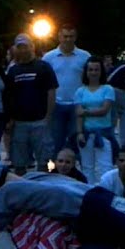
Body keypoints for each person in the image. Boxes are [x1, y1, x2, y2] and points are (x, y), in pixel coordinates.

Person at [4, 34, 58, 174]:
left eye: (25, 46)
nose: (23, 50)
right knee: (19, 161)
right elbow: (9, 96)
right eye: (19, 47)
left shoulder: (44, 67)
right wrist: (10, 119)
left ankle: (48, 180)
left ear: (32, 47)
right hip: (19, 122)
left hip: (40, 121)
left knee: (47, 159)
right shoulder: (13, 70)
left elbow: (51, 93)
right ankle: (22, 185)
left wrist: (48, 116)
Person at [41, 25, 91, 157]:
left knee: (76, 141)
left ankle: (73, 173)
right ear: (59, 37)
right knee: (56, 141)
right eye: (65, 36)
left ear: (75, 37)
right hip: (56, 105)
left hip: (77, 104)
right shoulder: (48, 57)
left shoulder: (85, 56)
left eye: (71, 36)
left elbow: (90, 79)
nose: (68, 39)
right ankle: (56, 172)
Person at [74, 57, 117, 183]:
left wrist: (86, 112)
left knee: (106, 167)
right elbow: (78, 114)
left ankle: (108, 193)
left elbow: (104, 110)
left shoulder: (108, 89)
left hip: (103, 133)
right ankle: (89, 192)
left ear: (101, 71)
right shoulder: (80, 91)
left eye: (96, 70)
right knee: (87, 167)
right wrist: (79, 133)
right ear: (86, 72)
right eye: (90, 70)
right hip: (86, 134)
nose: (93, 72)